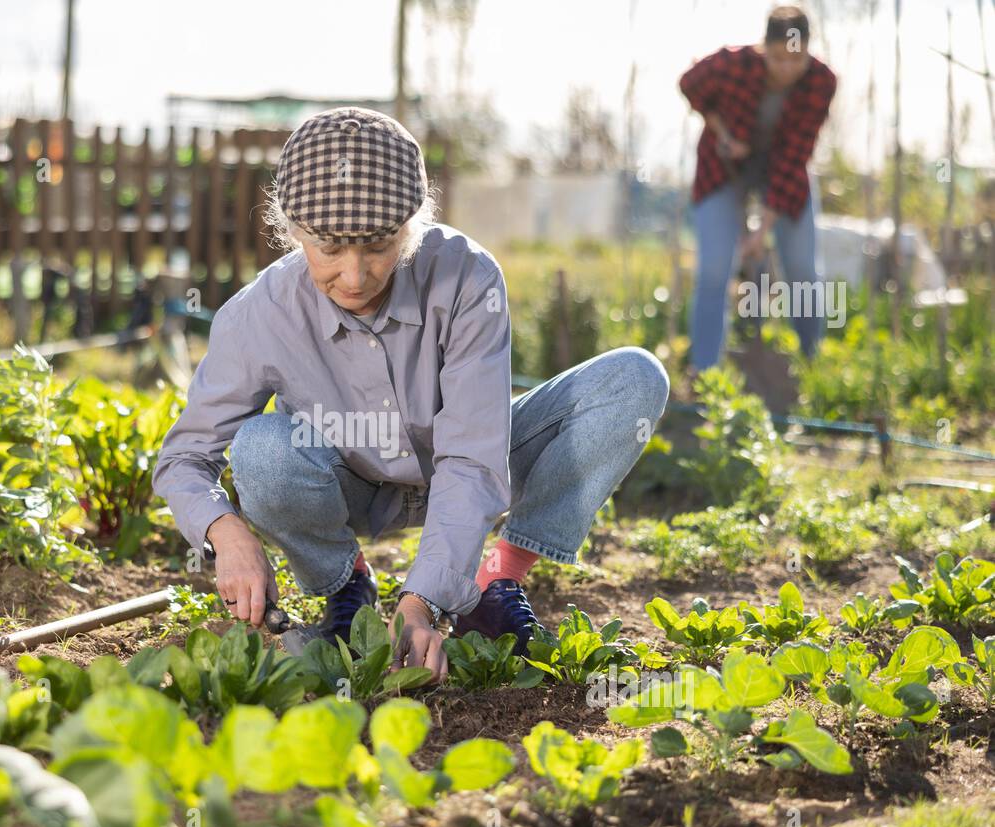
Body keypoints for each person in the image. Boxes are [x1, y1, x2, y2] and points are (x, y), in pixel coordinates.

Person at [152, 106, 669, 683]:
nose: (354, 276)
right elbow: (183, 459)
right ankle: (347, 585)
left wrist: (423, 603)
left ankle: (494, 581)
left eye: (378, 245)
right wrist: (225, 533)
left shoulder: (468, 277)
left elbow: (472, 456)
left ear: (413, 224)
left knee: (633, 379)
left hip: (481, 467)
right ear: (293, 231)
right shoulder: (259, 315)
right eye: (328, 248)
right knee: (263, 448)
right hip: (347, 482)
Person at [680, 4, 837, 370]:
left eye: (794, 60)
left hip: (784, 174)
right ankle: (705, 377)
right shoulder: (731, 64)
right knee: (715, 269)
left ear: (809, 52)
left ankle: (812, 366)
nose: (786, 69)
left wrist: (762, 231)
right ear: (763, 49)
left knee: (801, 268)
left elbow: (793, 157)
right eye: (778, 58)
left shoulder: (821, 82)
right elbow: (688, 84)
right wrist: (723, 132)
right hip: (723, 169)